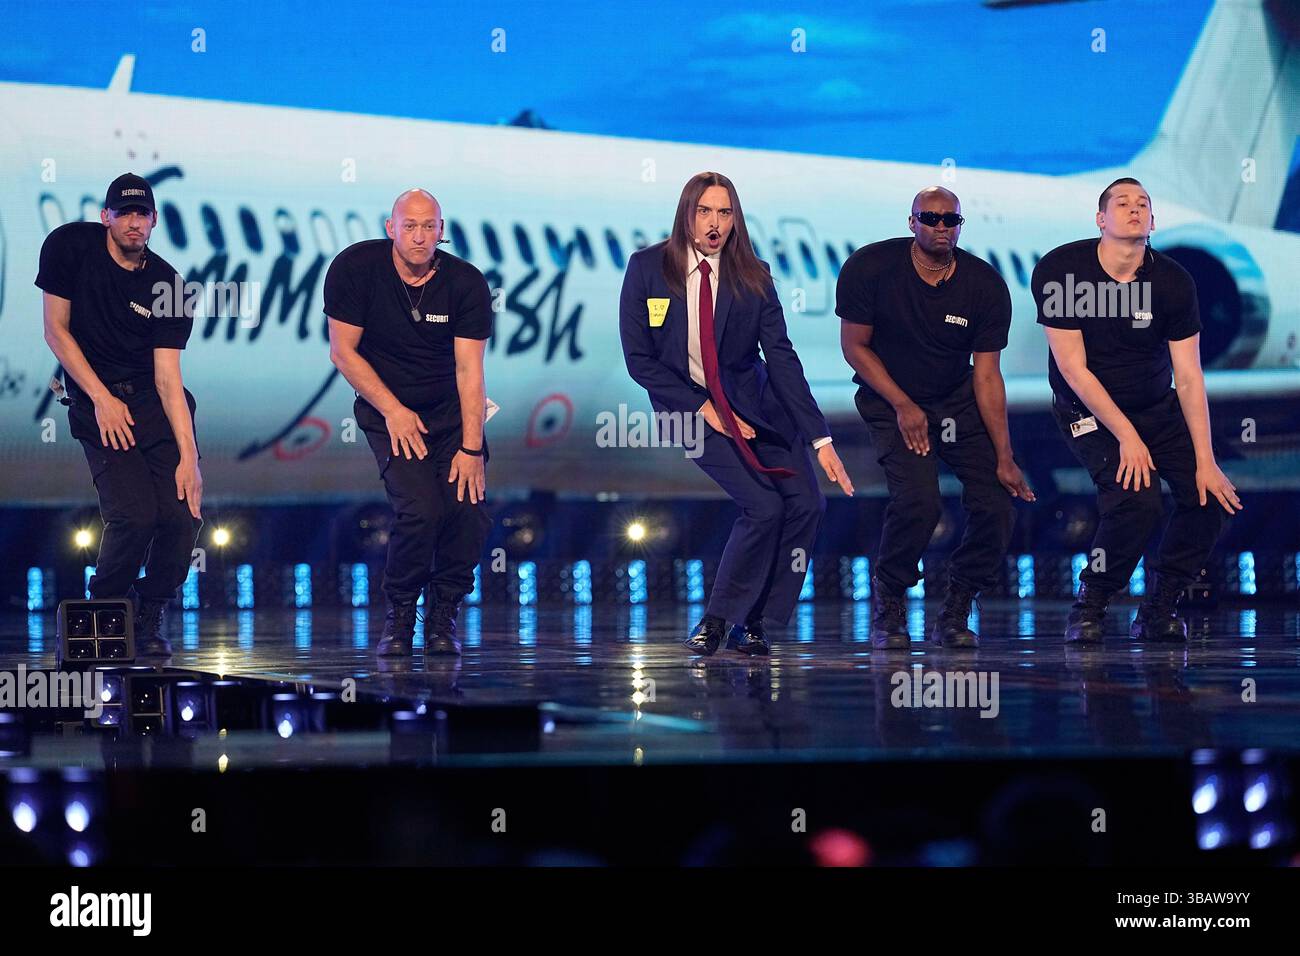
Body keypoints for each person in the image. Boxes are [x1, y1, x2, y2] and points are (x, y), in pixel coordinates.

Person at [620, 171, 854, 657]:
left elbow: (782, 358)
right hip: (691, 411)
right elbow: (640, 360)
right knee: (764, 506)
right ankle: (717, 620)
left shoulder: (754, 274)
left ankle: (759, 621)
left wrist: (820, 439)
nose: (715, 223)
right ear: (687, 214)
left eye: (724, 213)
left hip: (758, 406)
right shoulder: (647, 268)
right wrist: (705, 408)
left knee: (808, 505)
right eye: (705, 211)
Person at [1033, 177, 1241, 644]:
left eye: (1143, 203)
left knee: (1210, 498)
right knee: (1137, 501)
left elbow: (1187, 376)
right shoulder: (1062, 270)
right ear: (1101, 219)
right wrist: (1127, 436)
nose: (1134, 209)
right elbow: (1074, 369)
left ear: (1152, 220)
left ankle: (1158, 607)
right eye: (1121, 203)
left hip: (1153, 404)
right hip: (1085, 406)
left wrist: (1206, 462)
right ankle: (1092, 604)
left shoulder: (1171, 281)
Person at [838, 186, 1033, 649]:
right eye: (931, 218)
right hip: (890, 400)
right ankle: (890, 604)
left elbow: (987, 377)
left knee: (996, 501)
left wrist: (1004, 455)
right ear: (912, 222)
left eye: (951, 221)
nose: (942, 227)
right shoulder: (871, 268)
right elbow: (855, 347)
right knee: (919, 503)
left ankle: (956, 607)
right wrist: (904, 405)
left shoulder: (983, 285)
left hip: (956, 401)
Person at [36, 173, 203, 657]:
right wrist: (102, 399)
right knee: (133, 516)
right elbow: (56, 331)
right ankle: (106, 608)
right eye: (124, 213)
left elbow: (169, 379)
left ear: (153, 221)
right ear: (105, 216)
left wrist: (189, 457)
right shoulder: (69, 248)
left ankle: (150, 612)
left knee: (181, 516)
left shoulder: (169, 285)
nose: (134, 223)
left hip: (153, 401)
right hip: (96, 399)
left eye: (143, 215)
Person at [325, 189, 493, 656]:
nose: (420, 237)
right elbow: (343, 351)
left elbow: (470, 371)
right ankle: (400, 614)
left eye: (429, 227)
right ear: (391, 227)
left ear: (442, 230)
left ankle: (443, 615)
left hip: (452, 413)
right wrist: (395, 412)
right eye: (410, 226)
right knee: (420, 511)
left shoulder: (465, 283)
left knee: (468, 511)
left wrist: (472, 448)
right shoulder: (355, 269)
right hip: (388, 410)